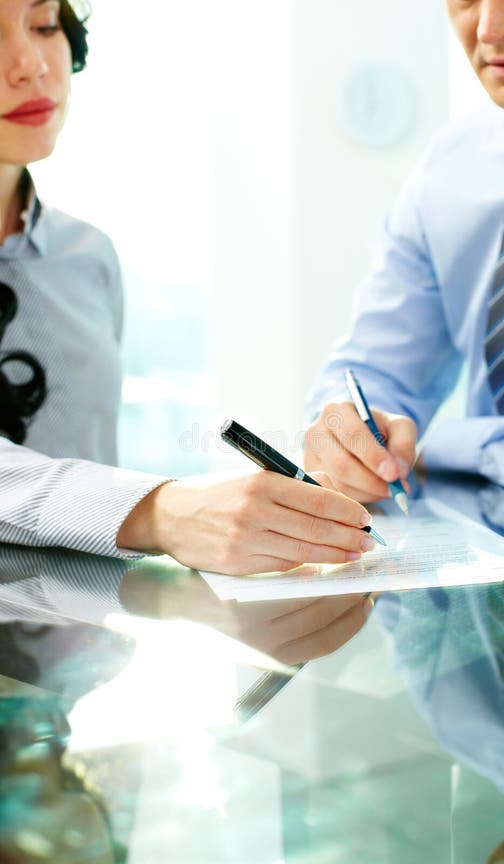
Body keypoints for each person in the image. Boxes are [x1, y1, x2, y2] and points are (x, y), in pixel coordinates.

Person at [0, 0, 376, 575]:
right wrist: (163, 512)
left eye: (45, 24)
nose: (31, 64)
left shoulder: (86, 256)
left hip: (82, 620)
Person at [304, 0, 504, 500]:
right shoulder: (451, 164)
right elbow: (375, 368)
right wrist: (350, 435)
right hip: (485, 538)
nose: (491, 28)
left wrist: (446, 448)